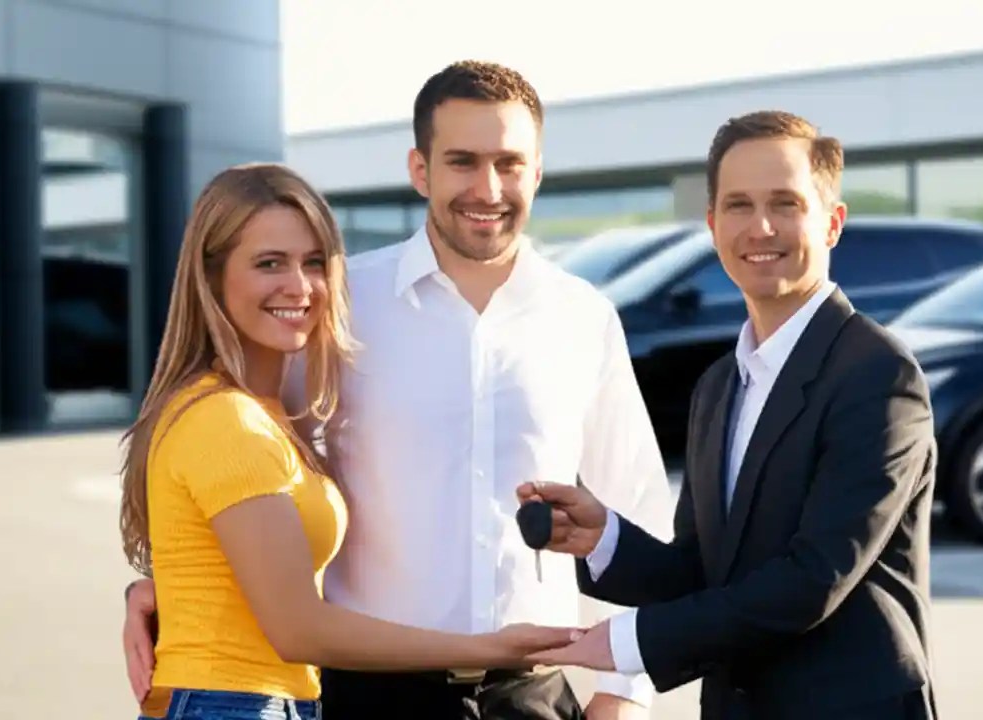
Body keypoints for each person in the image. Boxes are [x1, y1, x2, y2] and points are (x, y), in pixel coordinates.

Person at [122, 62, 672, 720]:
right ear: (421, 169)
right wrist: (165, 585)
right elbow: (239, 463)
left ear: (538, 171)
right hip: (366, 696)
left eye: (509, 163)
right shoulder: (335, 304)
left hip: (533, 697)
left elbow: (639, 515)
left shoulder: (584, 318)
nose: (487, 187)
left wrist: (623, 697)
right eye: (462, 161)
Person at [116, 162, 578, 719]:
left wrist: (155, 589)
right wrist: (485, 648)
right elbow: (299, 629)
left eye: (314, 263)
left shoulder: (270, 412)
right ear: (212, 277)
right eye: (269, 264)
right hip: (232, 705)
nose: (299, 286)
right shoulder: (226, 420)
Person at [518, 111, 940, 719]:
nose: (760, 226)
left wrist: (625, 643)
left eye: (786, 203)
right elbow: (704, 569)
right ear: (713, 225)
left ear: (832, 224)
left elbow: (811, 582)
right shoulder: (719, 384)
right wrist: (605, 537)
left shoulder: (878, 375)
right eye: (738, 205)